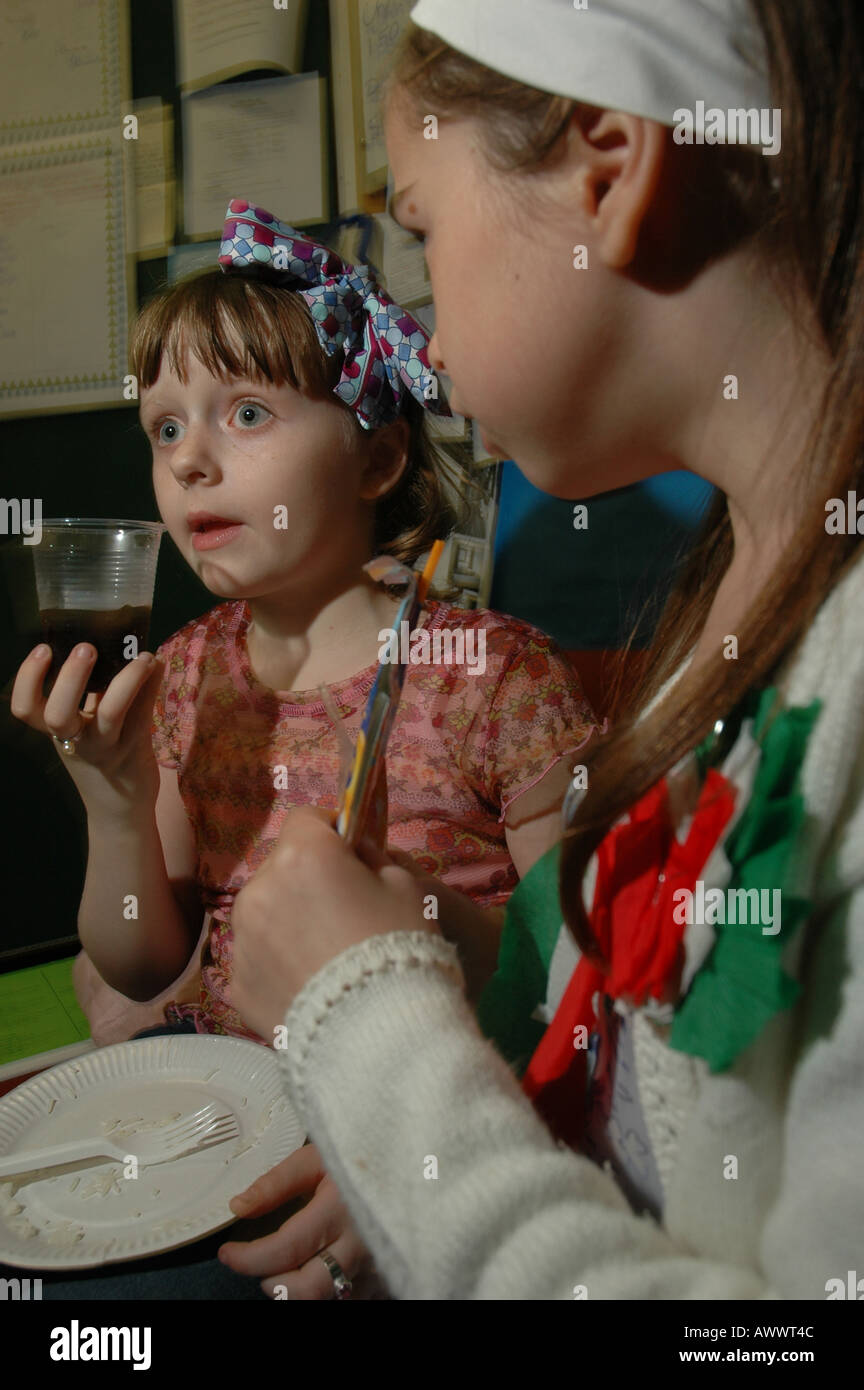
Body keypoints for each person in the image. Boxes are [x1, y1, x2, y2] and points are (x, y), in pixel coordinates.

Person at [222, 0, 864, 1300]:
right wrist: (446, 1111)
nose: (427, 335)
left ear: (608, 173)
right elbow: (650, 1047)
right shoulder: (738, 595)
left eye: (421, 229)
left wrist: (372, 1028)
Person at [10, 212, 593, 1052]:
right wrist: (116, 803)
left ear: (379, 459)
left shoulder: (496, 677)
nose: (186, 461)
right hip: (235, 1105)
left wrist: (422, 917)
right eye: (165, 427)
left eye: (246, 414)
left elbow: (580, 976)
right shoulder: (183, 676)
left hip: (431, 1092)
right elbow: (142, 968)